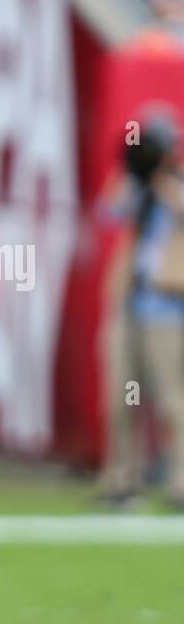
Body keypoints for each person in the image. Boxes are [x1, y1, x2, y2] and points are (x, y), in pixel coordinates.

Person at [99, 119, 184, 509]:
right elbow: (107, 211)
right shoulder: (136, 189)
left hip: (167, 306)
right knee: (122, 397)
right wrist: (131, 168)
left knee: (171, 399)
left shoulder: (174, 189)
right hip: (129, 304)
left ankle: (179, 482)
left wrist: (163, 179)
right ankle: (123, 481)